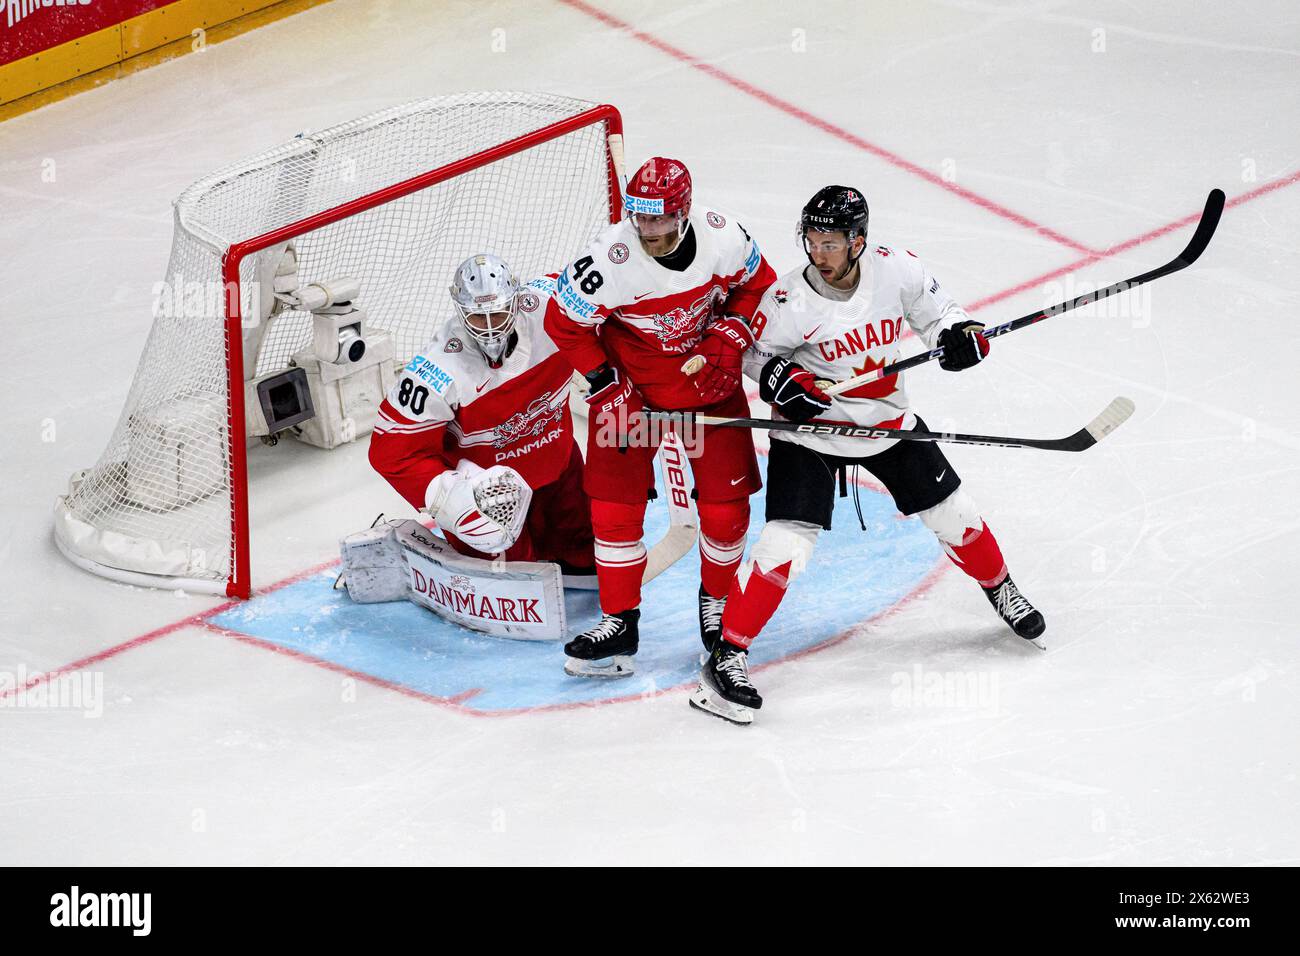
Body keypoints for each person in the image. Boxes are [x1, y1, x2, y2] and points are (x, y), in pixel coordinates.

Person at [691, 185, 1045, 724]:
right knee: (784, 547)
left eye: (830, 242)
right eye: (810, 240)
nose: (817, 253)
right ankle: (727, 657)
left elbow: (942, 314)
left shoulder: (896, 270)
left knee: (957, 516)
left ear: (858, 241)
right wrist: (782, 379)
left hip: (885, 427)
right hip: (811, 437)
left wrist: (962, 335)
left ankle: (1003, 590)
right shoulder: (789, 301)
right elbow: (756, 356)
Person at [543, 156, 776, 677]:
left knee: (726, 509)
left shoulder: (723, 236)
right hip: (631, 396)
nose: (646, 228)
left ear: (683, 211)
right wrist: (604, 383)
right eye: (638, 216)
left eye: (658, 217)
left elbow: (760, 284)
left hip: (708, 389)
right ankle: (619, 620)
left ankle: (715, 605)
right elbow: (563, 321)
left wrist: (729, 334)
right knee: (612, 508)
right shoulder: (608, 259)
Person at [369, 254, 594, 576]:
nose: (490, 328)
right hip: (492, 496)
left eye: (499, 313)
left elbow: (615, 283)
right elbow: (391, 451)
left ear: (517, 299)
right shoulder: (436, 370)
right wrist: (452, 499)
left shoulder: (552, 306)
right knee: (514, 577)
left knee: (586, 551)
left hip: (557, 461)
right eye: (478, 318)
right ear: (460, 311)